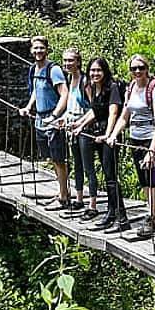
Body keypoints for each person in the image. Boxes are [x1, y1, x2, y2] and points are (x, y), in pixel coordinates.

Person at [109, 54, 155, 237]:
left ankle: (151, 218)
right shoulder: (131, 88)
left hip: (151, 138)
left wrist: (152, 150)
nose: (137, 71)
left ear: (147, 68)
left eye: (140, 68)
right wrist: (113, 135)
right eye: (133, 68)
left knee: (153, 178)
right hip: (135, 138)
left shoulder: (154, 89)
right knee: (143, 178)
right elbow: (125, 116)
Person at [70, 56, 128, 231]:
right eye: (92, 70)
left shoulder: (113, 87)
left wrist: (108, 135)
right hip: (100, 136)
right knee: (107, 176)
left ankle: (122, 218)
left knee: (112, 178)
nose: (95, 73)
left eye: (98, 70)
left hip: (110, 138)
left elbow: (113, 113)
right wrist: (80, 125)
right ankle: (111, 214)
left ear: (105, 71)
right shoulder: (95, 87)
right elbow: (95, 111)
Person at [17, 35, 73, 210]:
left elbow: (65, 93)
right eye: (35, 48)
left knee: (59, 159)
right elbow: (36, 91)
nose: (38, 51)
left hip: (53, 121)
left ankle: (63, 197)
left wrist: (55, 115)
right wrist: (28, 107)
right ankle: (63, 190)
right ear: (31, 51)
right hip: (40, 120)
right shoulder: (34, 69)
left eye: (41, 48)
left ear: (47, 49)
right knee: (51, 158)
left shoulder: (53, 69)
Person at [60, 47, 98, 219]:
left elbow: (93, 107)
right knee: (77, 164)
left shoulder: (85, 82)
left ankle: (93, 205)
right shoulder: (70, 79)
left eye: (71, 60)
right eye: (65, 60)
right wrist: (64, 118)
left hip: (85, 128)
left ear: (78, 62)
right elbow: (70, 105)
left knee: (88, 166)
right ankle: (79, 198)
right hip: (72, 127)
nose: (67, 63)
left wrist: (81, 124)